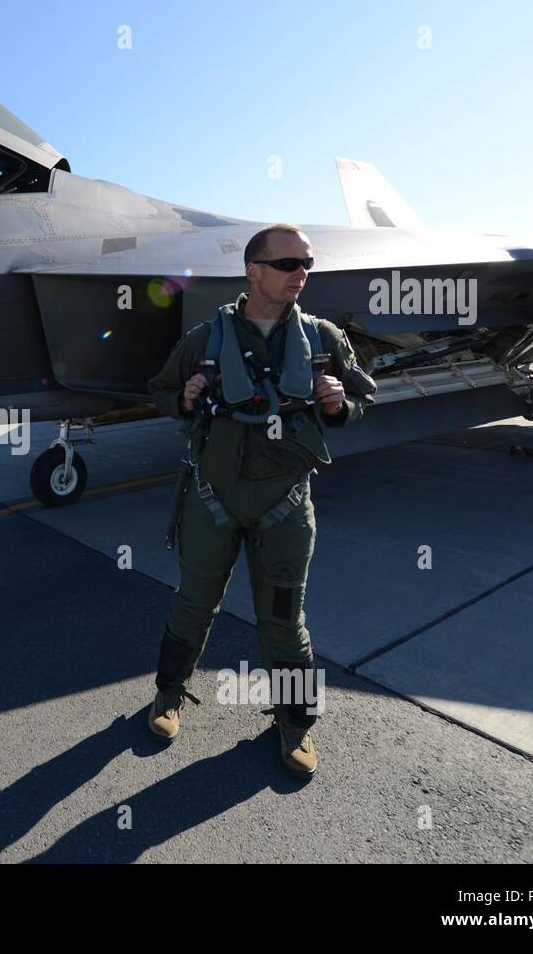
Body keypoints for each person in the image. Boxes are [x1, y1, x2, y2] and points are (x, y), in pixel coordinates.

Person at [145, 222, 377, 778]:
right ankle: (169, 695)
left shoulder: (323, 340)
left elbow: (359, 405)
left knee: (284, 618)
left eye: (307, 265)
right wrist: (183, 396)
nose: (302, 274)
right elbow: (157, 393)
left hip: (285, 502)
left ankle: (294, 725)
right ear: (253, 271)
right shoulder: (205, 340)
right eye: (288, 264)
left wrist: (337, 405)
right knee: (193, 603)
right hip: (211, 498)